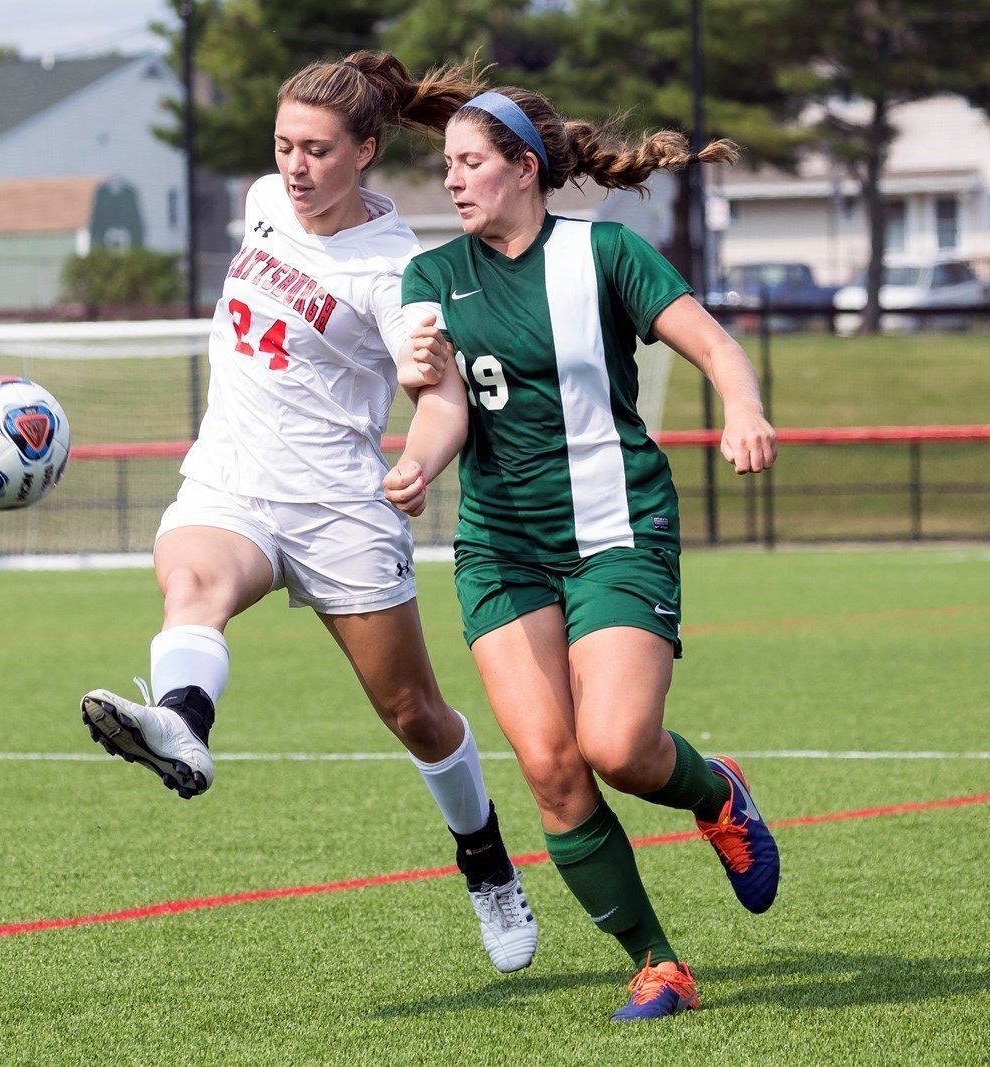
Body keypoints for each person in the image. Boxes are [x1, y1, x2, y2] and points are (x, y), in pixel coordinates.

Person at [78, 53, 538, 974]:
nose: (295, 166)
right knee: (191, 585)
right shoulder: (259, 201)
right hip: (232, 481)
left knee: (412, 710)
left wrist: (415, 449)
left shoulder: (395, 272)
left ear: (365, 151)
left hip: (338, 508)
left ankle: (486, 860)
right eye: (285, 144)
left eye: (318, 151)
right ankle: (181, 722)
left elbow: (442, 396)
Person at [385, 87, 781, 1020]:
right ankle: (657, 963)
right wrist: (415, 458)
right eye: (445, 163)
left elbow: (716, 346)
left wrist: (746, 407)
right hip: (498, 548)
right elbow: (442, 405)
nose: (452, 177)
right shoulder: (430, 276)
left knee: (617, 747)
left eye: (471, 161)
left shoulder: (604, 251)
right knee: (553, 767)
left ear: (525, 166)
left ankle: (717, 791)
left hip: (617, 531)